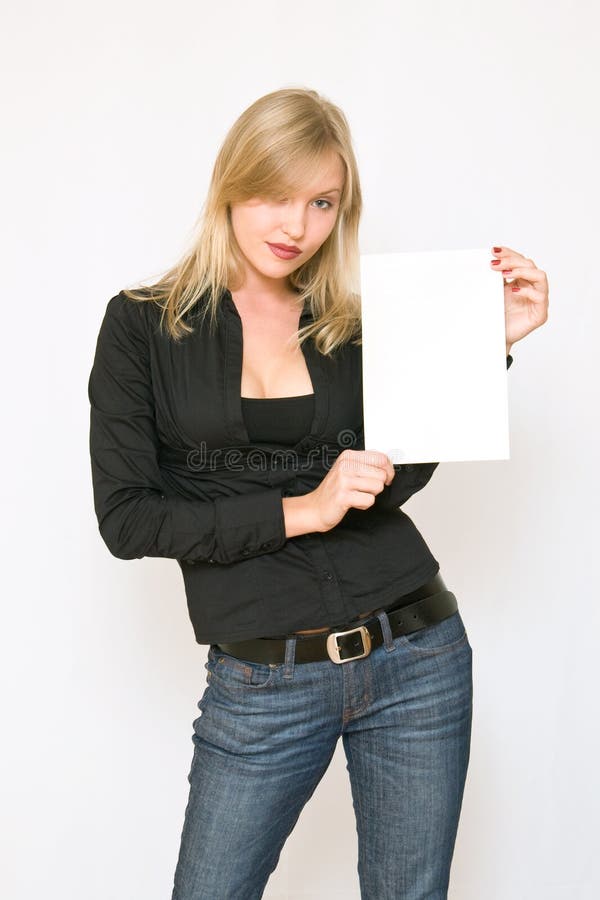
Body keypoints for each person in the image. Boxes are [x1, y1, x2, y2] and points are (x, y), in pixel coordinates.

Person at [88, 87, 549, 900]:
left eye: (321, 202)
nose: (294, 225)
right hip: (262, 678)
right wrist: (303, 508)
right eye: (272, 192)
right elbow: (129, 518)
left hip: (417, 653)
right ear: (230, 184)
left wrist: (489, 349)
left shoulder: (348, 324)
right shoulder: (140, 327)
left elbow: (394, 474)